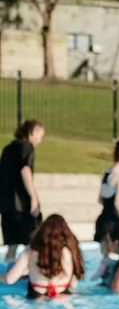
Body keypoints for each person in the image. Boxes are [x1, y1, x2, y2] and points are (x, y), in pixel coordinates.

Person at [4, 213, 84, 298]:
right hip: (63, 296)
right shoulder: (69, 251)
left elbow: (10, 279)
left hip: (36, 296)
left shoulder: (31, 250)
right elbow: (73, 285)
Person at [0, 121, 45, 261]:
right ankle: (31, 272)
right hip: (21, 205)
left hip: (6, 205)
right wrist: (33, 197)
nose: (40, 140)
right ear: (31, 132)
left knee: (11, 246)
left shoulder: (7, 149)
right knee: (33, 242)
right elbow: (25, 170)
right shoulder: (27, 147)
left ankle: (7, 274)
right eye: (40, 135)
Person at [94, 140, 119, 262]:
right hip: (116, 224)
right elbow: (118, 203)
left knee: (106, 262)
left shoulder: (106, 174)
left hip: (103, 222)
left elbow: (100, 199)